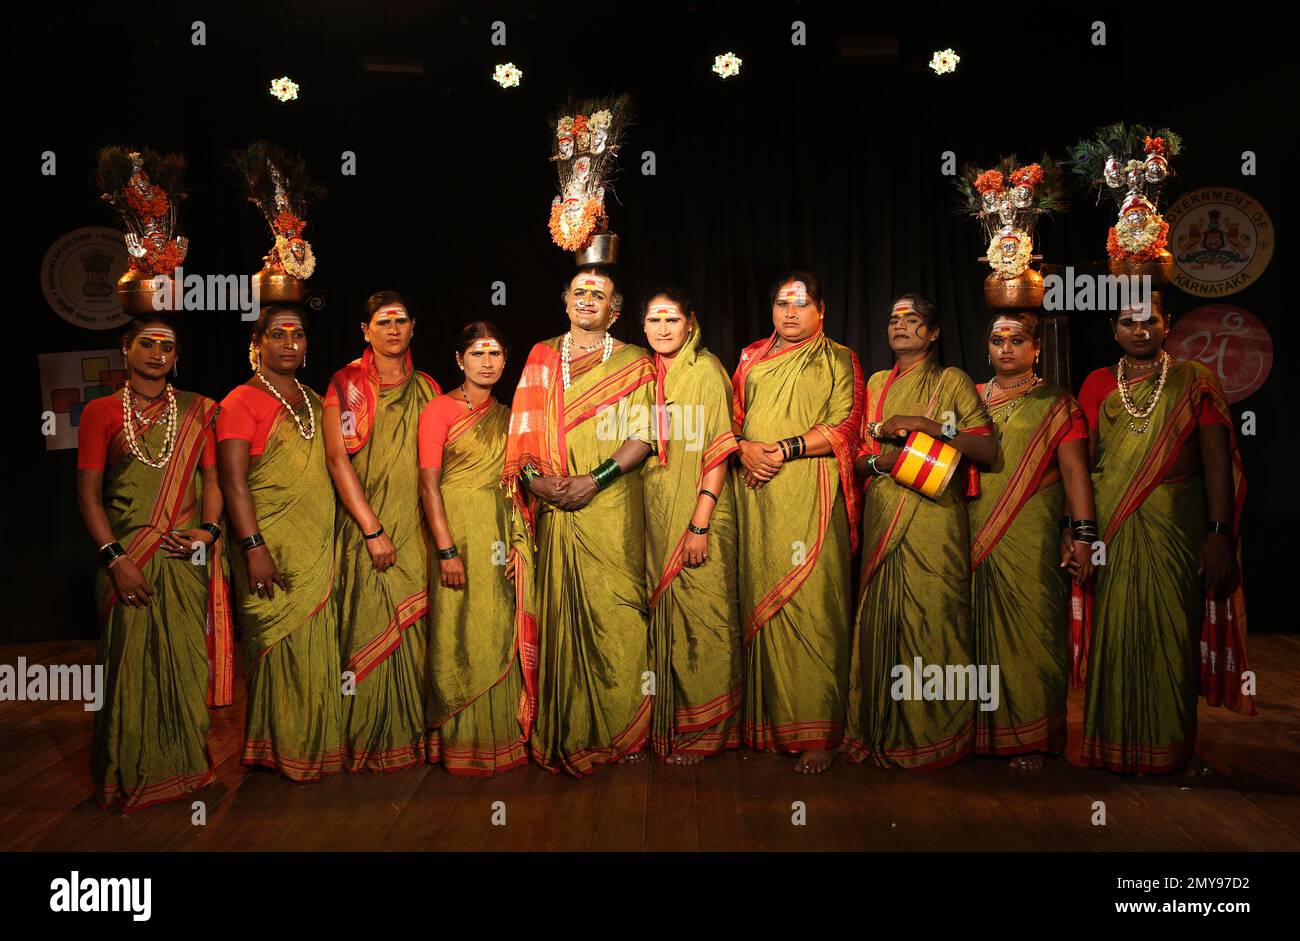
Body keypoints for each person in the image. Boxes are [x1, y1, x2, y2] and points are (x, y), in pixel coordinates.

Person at [1078, 297, 1253, 775]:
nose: (1139, 331)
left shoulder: (1195, 379)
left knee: (1173, 632)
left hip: (1178, 521)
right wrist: (1078, 533)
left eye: (1148, 321)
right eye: (1128, 323)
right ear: (1114, 329)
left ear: (1166, 325)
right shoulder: (1096, 383)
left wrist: (1218, 533)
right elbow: (1086, 464)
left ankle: (1171, 749)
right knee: (1113, 632)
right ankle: (1110, 748)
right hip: (1112, 524)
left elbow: (1218, 461)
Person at [502, 264, 656, 776]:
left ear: (614, 310)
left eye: (600, 294)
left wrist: (595, 478)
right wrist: (536, 483)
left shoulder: (636, 361)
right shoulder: (542, 358)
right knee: (560, 611)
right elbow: (522, 435)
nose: (588, 299)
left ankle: (624, 728)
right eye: (579, 291)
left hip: (611, 504)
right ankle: (565, 724)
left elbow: (644, 434)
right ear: (566, 301)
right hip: (553, 505)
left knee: (618, 610)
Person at [75, 316, 232, 812]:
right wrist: (116, 559)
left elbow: (213, 482)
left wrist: (208, 532)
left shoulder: (199, 412)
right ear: (126, 348)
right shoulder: (100, 412)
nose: (157, 353)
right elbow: (87, 497)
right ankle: (127, 770)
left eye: (167, 346)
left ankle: (187, 768)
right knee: (129, 669)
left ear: (177, 356)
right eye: (147, 343)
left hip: (184, 558)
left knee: (185, 665)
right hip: (127, 561)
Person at [843, 295, 998, 770]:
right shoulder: (873, 383)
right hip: (883, 512)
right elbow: (856, 456)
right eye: (893, 319)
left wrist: (923, 426)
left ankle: (937, 737)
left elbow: (987, 451)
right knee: (880, 620)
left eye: (912, 320)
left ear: (932, 334)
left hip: (936, 517)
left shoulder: (951, 381)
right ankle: (878, 729)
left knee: (936, 616)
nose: (900, 326)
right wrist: (882, 462)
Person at [732, 271, 864, 774]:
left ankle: (820, 732)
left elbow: (845, 426)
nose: (790, 312)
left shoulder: (839, 358)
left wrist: (781, 450)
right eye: (783, 303)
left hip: (813, 492)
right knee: (761, 602)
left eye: (802, 304)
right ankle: (766, 726)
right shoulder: (749, 357)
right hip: (757, 495)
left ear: (821, 310)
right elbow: (734, 418)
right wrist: (746, 450)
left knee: (814, 605)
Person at [217, 306, 342, 781]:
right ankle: (278, 748)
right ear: (258, 344)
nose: (289, 343)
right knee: (277, 647)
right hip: (267, 544)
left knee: (315, 645)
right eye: (277, 335)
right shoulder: (239, 402)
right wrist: (253, 546)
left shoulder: (313, 399)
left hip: (315, 545)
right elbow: (233, 483)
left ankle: (318, 746)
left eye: (298, 335)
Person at [968, 312, 1095, 770]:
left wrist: (1082, 534)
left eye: (1018, 340)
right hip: (970, 527)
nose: (1006, 348)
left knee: (1030, 627)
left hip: (1030, 527)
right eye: (998, 339)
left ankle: (1033, 736)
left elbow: (1076, 470)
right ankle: (980, 731)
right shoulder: (970, 398)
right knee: (975, 628)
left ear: (1035, 349)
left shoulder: (1056, 403)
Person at [323, 291, 440, 772]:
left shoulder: (430, 388)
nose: (393, 329)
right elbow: (336, 459)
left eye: (401, 320)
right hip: (366, 526)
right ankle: (369, 744)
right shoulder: (345, 384)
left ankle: (413, 740)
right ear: (365, 330)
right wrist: (372, 529)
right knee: (368, 623)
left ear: (413, 327)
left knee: (417, 633)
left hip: (417, 529)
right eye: (383, 321)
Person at [419, 322, 532, 775]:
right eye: (478, 353)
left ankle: (501, 739)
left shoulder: (511, 414)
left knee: (499, 623)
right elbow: (428, 486)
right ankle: (459, 741)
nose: (487, 362)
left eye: (496, 354)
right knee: (458, 627)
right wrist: (446, 550)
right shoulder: (439, 409)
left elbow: (522, 482)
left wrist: (520, 543)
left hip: (499, 528)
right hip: (457, 530)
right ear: (459, 360)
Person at [640, 289, 741, 764]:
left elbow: (719, 450)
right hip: (656, 515)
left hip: (704, 510)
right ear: (642, 326)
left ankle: (708, 731)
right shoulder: (642, 374)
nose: (663, 328)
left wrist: (699, 523)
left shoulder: (706, 371)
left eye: (672, 319)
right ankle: (668, 727)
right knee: (668, 622)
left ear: (690, 323)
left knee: (705, 619)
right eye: (655, 320)